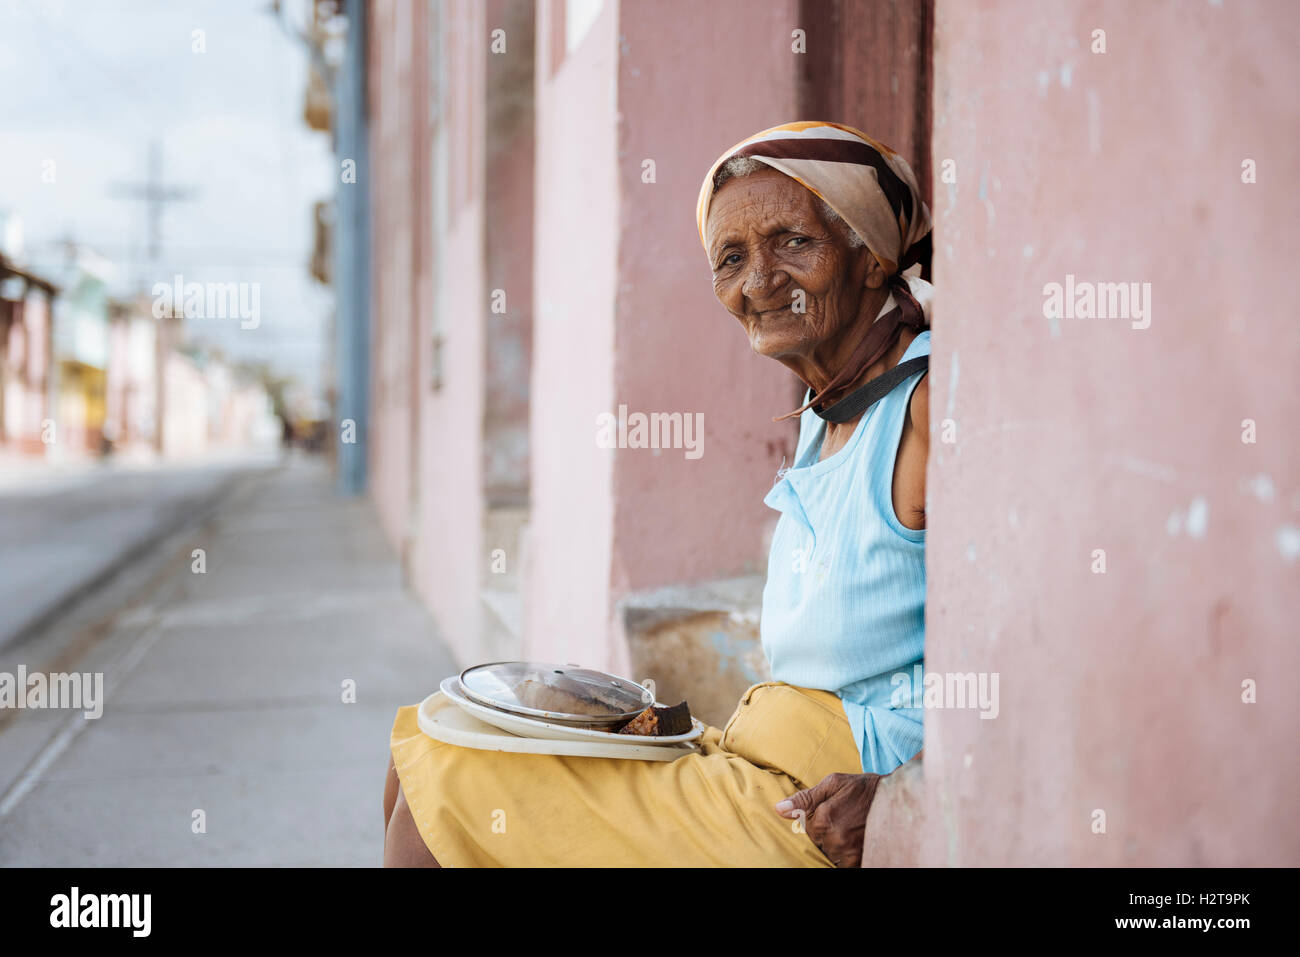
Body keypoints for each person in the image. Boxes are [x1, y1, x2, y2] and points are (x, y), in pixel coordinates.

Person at [383, 121, 932, 867]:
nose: (758, 282)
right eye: (730, 258)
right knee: (435, 730)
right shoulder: (830, 399)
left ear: (871, 259)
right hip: (762, 749)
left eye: (793, 243)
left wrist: (903, 791)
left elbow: (1022, 648)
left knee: (436, 793)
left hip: (821, 795)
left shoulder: (927, 404)